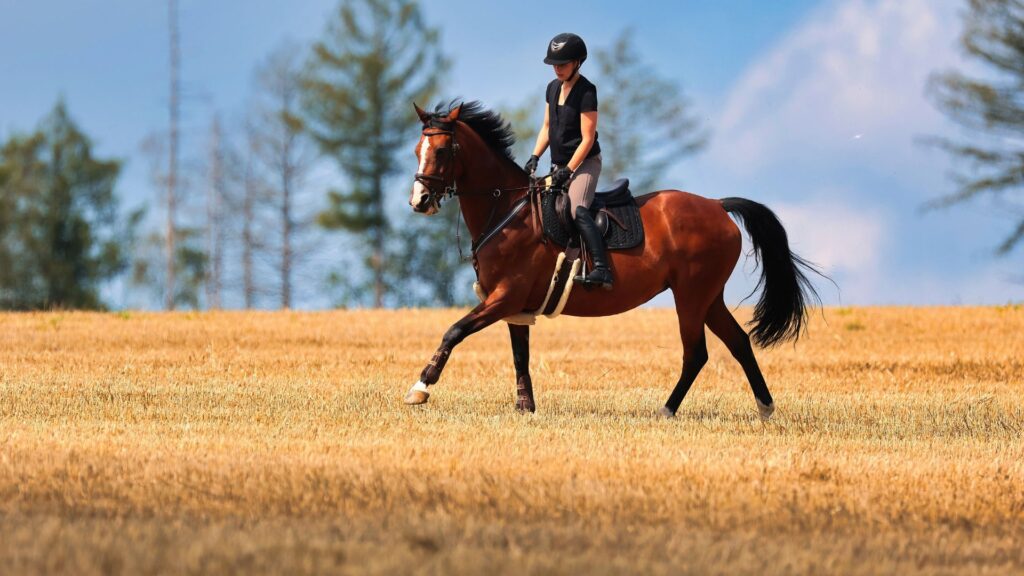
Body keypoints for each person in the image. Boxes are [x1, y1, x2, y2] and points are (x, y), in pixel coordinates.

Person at [524, 32, 613, 290]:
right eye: (554, 64)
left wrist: (569, 170)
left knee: (576, 209)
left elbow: (587, 139)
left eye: (562, 64)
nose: (557, 69)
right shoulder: (552, 88)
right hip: (559, 167)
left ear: (577, 62)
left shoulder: (587, 91)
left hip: (585, 163)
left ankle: (602, 269)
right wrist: (534, 156)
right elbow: (546, 127)